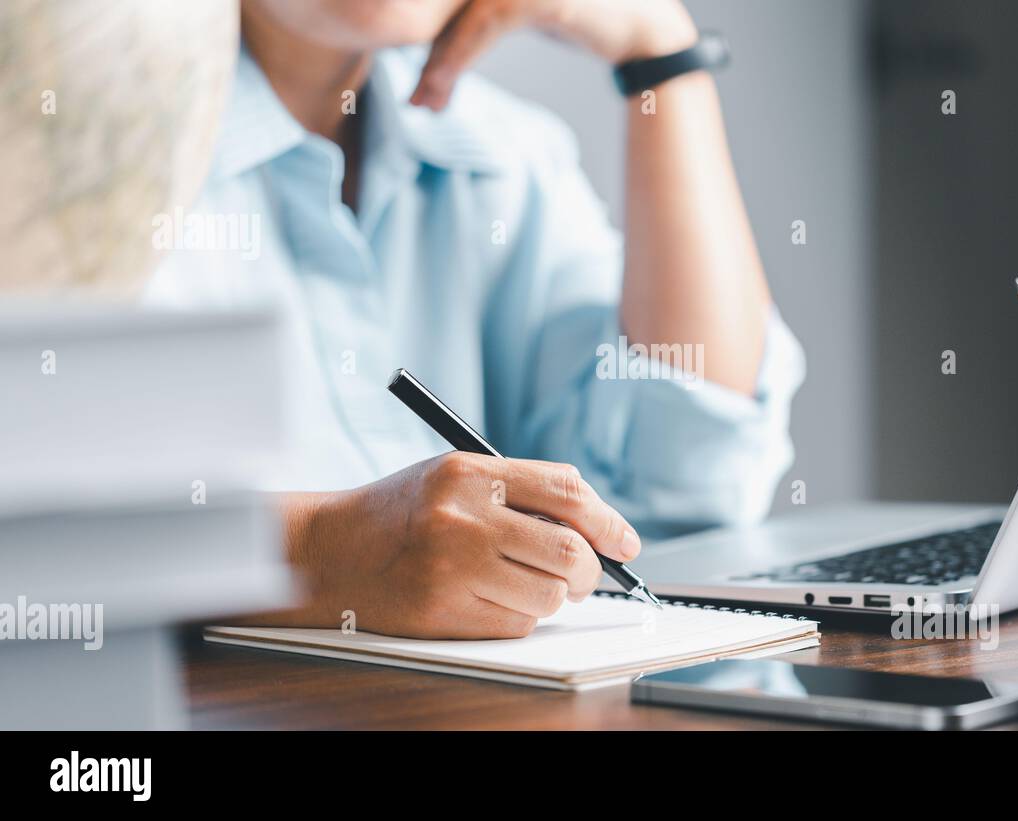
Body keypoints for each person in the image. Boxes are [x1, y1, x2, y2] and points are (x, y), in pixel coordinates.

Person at [144, 0, 804, 639]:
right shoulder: (85, 170)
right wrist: (317, 552)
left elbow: (690, 481)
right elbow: (50, 551)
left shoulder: (504, 154)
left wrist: (660, 52)